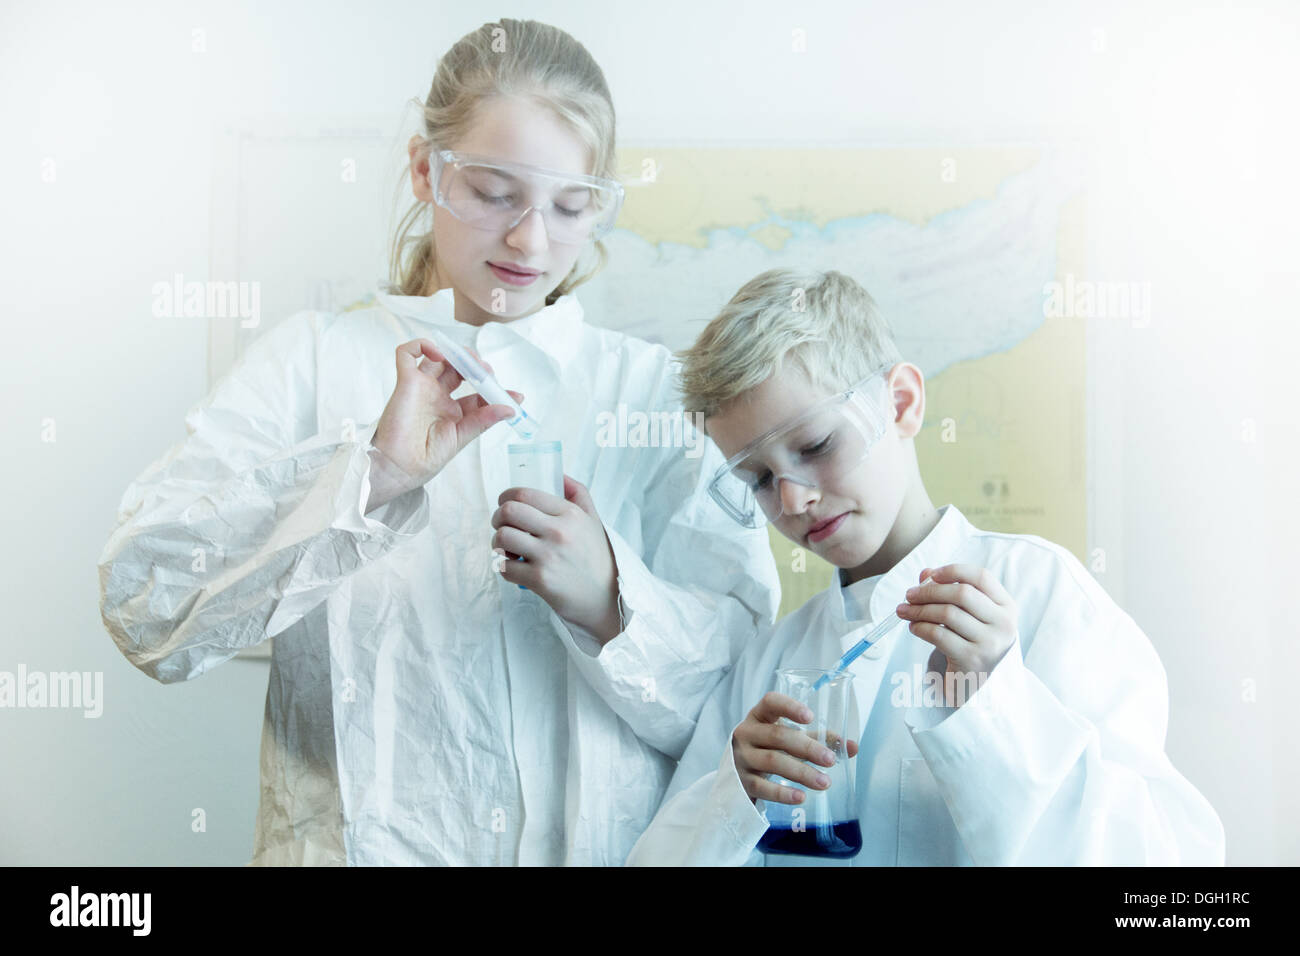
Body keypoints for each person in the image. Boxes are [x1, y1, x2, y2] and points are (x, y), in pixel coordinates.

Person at [97, 19, 778, 866]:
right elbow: (147, 608)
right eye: (496, 192)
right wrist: (367, 479)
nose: (532, 241)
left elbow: (747, 702)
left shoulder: (651, 399)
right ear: (426, 170)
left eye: (570, 206)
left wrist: (612, 602)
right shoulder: (310, 364)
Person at [624, 267, 1225, 866]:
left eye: (814, 447)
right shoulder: (769, 663)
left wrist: (996, 702)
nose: (793, 499)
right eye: (758, 479)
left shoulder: (1042, 595)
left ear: (901, 404)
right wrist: (732, 798)